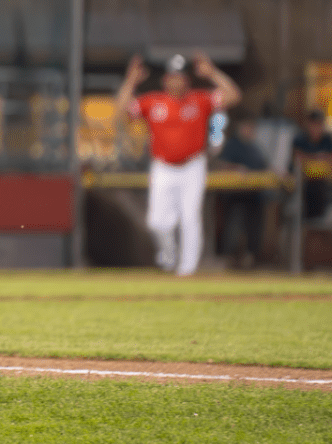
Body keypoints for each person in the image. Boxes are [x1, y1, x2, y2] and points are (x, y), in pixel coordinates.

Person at [115, 52, 241, 276]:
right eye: (173, 76)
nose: (177, 81)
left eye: (181, 77)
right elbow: (120, 110)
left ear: (187, 80)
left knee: (190, 217)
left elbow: (233, 95)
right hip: (163, 166)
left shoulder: (199, 99)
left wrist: (213, 74)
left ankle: (187, 269)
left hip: (193, 165)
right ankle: (170, 255)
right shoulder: (153, 101)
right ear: (165, 79)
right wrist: (130, 81)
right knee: (157, 221)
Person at [213, 111, 271, 268]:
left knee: (254, 229)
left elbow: (265, 167)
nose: (250, 130)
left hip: (254, 195)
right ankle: (228, 258)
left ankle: (250, 257)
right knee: (232, 229)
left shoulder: (255, 148)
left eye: (252, 127)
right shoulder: (232, 145)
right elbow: (220, 165)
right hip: (235, 195)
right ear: (240, 127)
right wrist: (236, 168)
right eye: (247, 127)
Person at [292, 109, 332, 222]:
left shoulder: (328, 139)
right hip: (303, 190)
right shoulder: (300, 138)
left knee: (321, 226)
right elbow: (297, 158)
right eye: (314, 124)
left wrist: (323, 158)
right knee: (305, 225)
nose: (316, 128)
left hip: (323, 189)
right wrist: (319, 157)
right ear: (308, 124)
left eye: (319, 124)